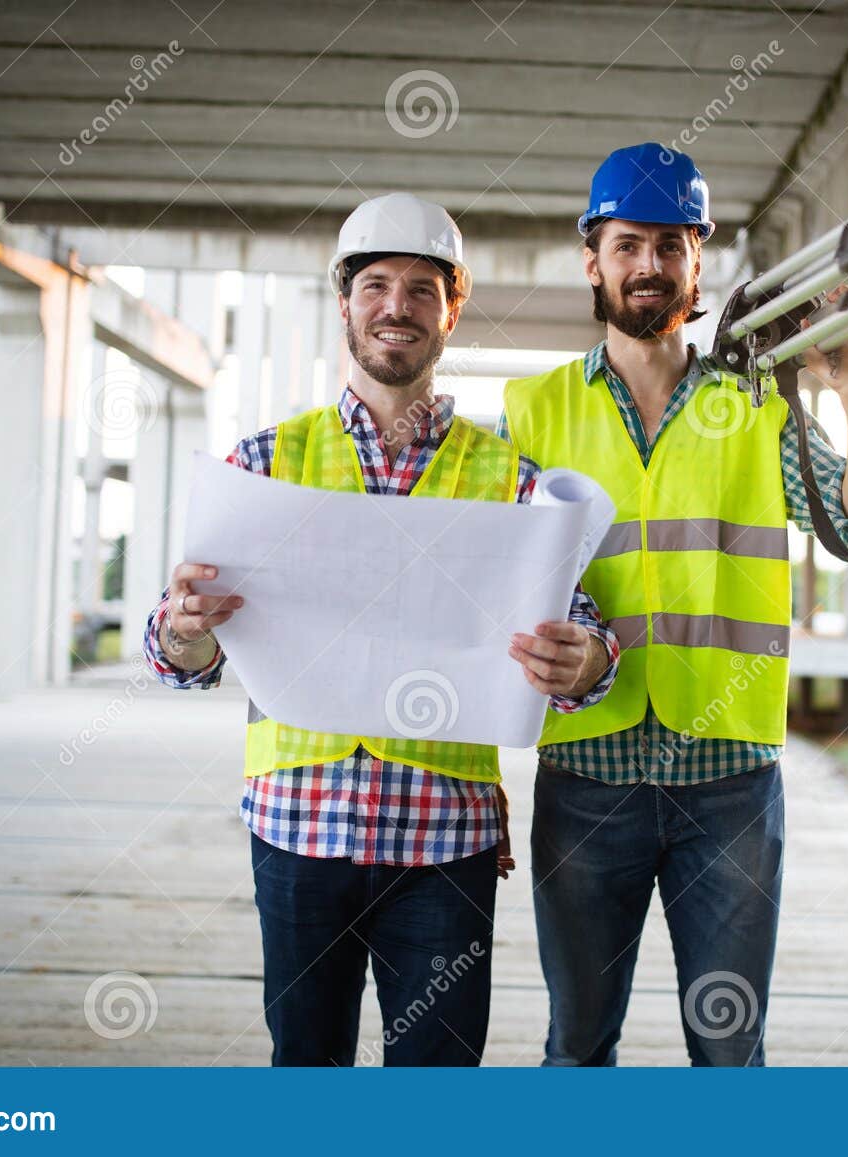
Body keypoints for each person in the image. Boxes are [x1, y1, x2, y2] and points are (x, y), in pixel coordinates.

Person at [145, 193, 618, 1067]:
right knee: (307, 1073)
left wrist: (585, 659)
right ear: (345, 303)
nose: (396, 306)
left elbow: (585, 641)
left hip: (444, 844)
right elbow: (180, 651)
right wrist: (183, 632)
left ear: (452, 308)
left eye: (420, 289)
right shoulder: (262, 463)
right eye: (376, 285)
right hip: (299, 831)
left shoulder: (509, 480)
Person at [498, 143, 848, 1066]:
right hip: (587, 774)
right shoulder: (529, 416)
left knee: (730, 1053)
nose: (648, 265)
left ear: (698, 260)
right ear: (593, 259)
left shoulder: (757, 405)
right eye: (627, 244)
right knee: (576, 1045)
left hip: (727, 779)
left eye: (669, 246)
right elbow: (477, 583)